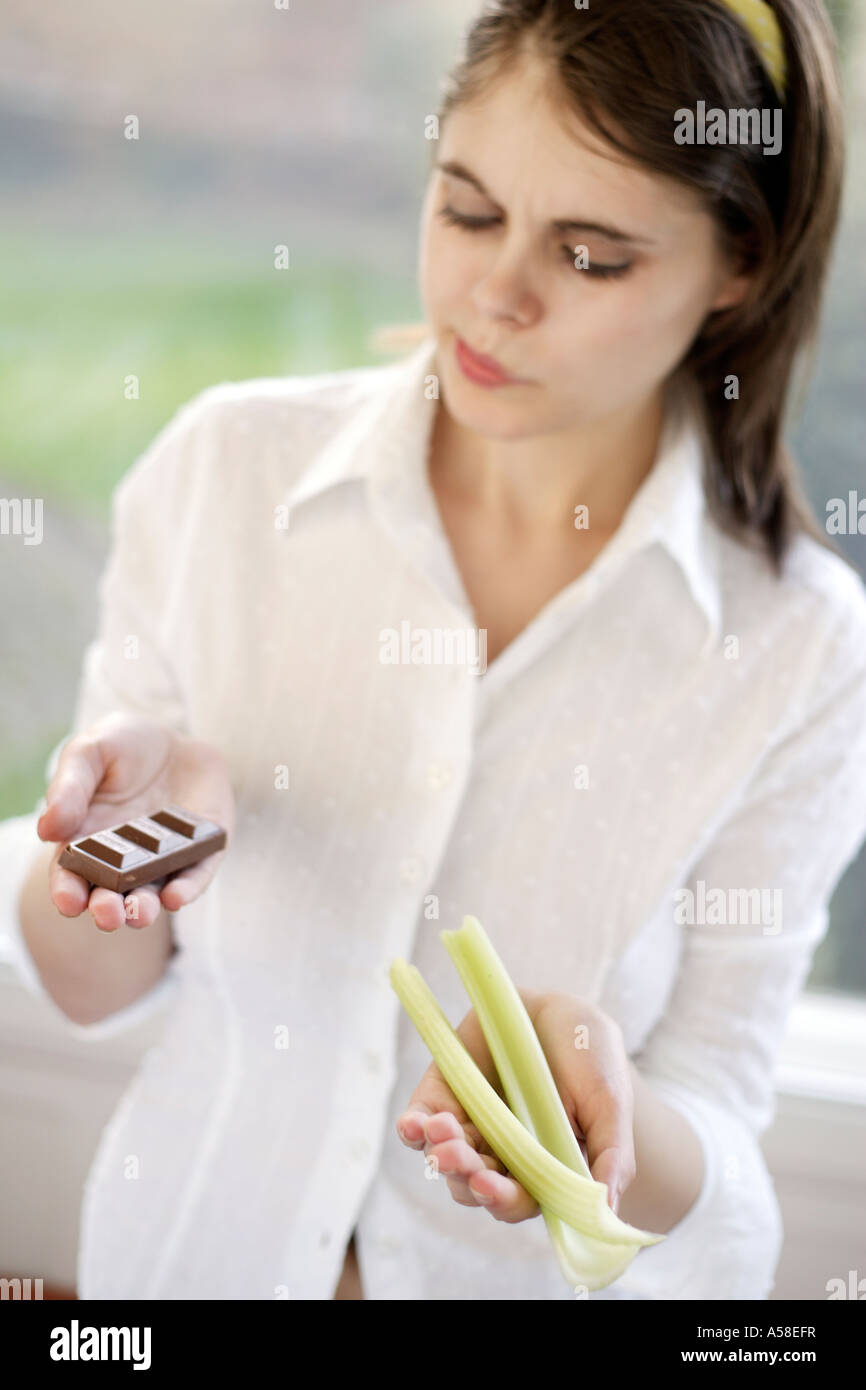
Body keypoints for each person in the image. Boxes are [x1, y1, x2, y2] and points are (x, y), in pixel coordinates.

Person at [3, 0, 865, 1300]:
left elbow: (718, 1135)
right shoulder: (226, 474)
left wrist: (610, 1114)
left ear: (737, 267)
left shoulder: (800, 648)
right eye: (466, 211)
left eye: (588, 255)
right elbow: (83, 987)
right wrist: (105, 861)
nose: (492, 293)